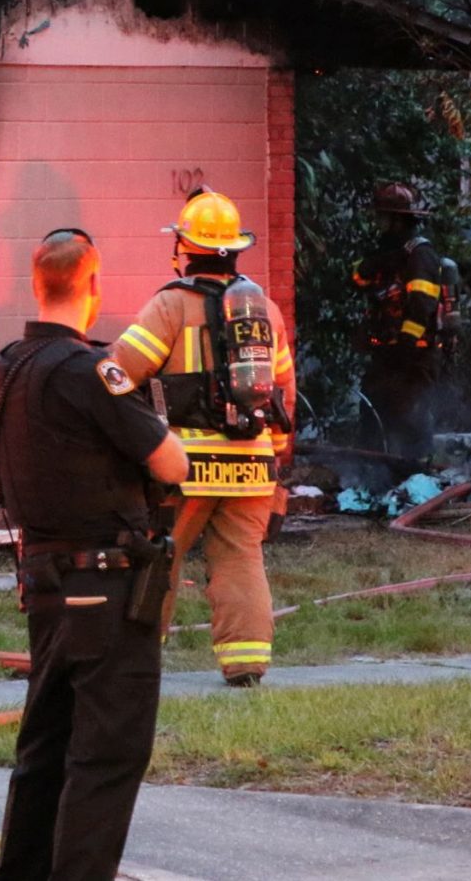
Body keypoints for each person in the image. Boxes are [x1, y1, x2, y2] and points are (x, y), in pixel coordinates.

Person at [0, 229, 188, 881]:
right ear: (94, 284)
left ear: (36, 283)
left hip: (45, 583)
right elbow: (171, 462)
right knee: (107, 755)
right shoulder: (92, 370)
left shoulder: (6, 366)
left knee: (46, 749)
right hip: (107, 589)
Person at [109, 190, 296, 687]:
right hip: (253, 464)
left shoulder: (171, 304)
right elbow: (283, 393)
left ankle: (137, 656)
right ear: (235, 250)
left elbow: (122, 370)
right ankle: (247, 663)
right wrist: (276, 458)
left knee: (160, 555)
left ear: (184, 248)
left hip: (185, 465)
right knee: (241, 558)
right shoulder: (266, 311)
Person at [351, 182, 449, 457]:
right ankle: (373, 474)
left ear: (397, 220)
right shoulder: (389, 253)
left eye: (382, 217)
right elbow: (357, 278)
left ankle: (415, 474)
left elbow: (422, 307)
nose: (378, 222)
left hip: (414, 359)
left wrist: (404, 346)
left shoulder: (421, 256)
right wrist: (383, 261)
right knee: (373, 419)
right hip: (387, 356)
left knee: (410, 424)